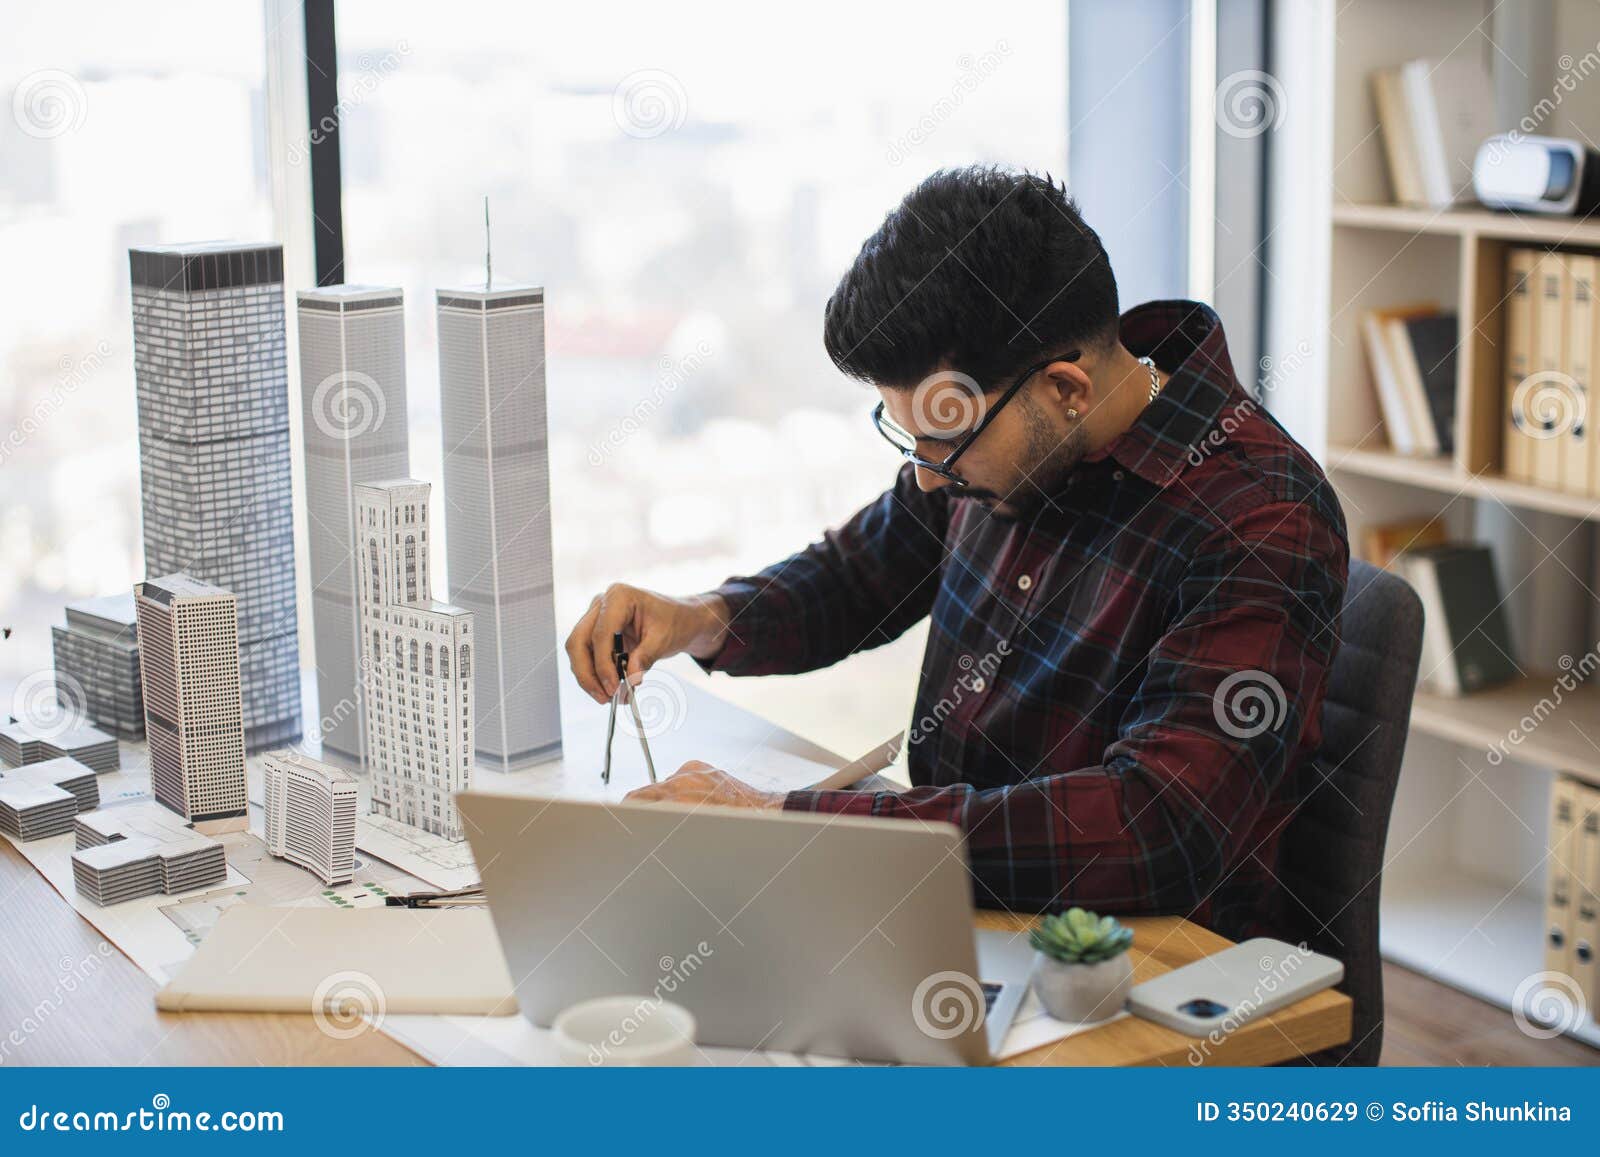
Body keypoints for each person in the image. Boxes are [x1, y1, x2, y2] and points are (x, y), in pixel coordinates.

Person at [564, 166, 1347, 941]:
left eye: (946, 439)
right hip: (949, 908)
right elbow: (854, 577)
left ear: (1066, 390)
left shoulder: (1262, 515)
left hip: (1135, 970)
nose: (926, 477)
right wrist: (700, 618)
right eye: (907, 433)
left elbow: (1156, 825)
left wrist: (790, 821)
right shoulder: (990, 450)